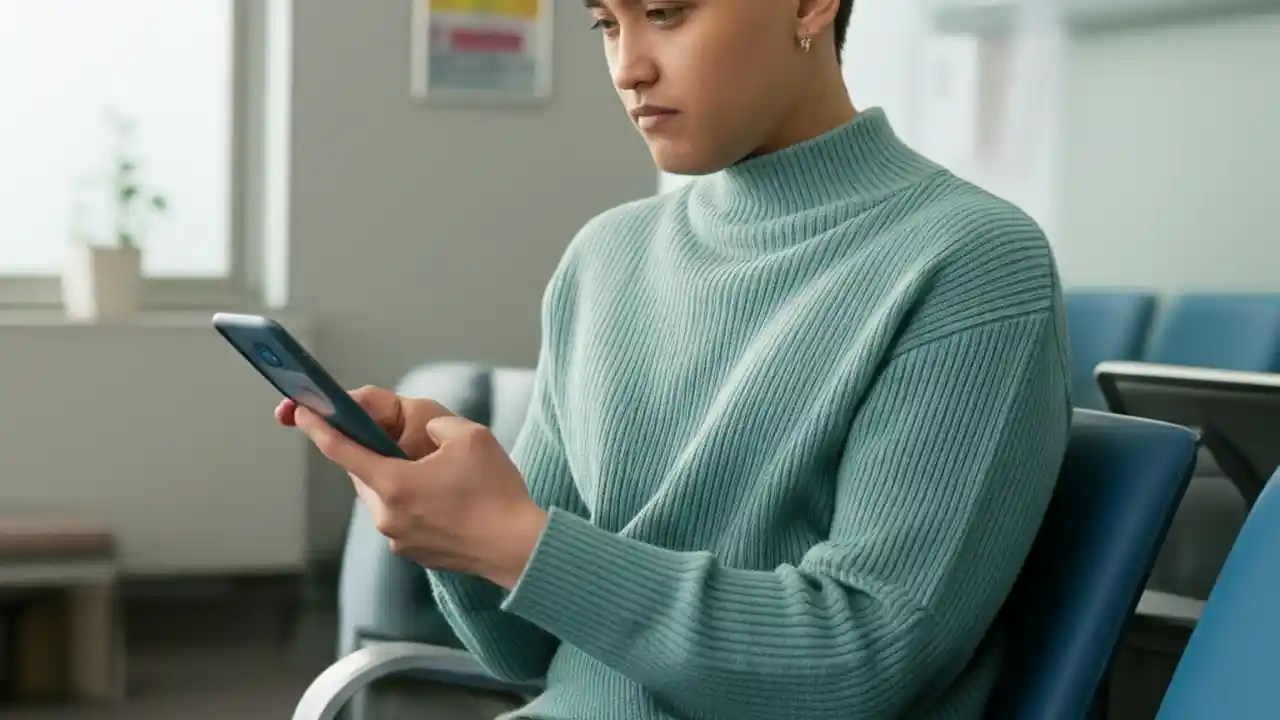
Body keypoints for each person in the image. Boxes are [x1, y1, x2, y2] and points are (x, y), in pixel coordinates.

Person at [278, 0, 1072, 717]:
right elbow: (522, 652)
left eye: (666, 12)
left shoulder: (968, 260)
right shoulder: (607, 256)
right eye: (607, 24)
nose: (629, 67)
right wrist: (456, 522)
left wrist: (511, 537)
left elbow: (860, 663)